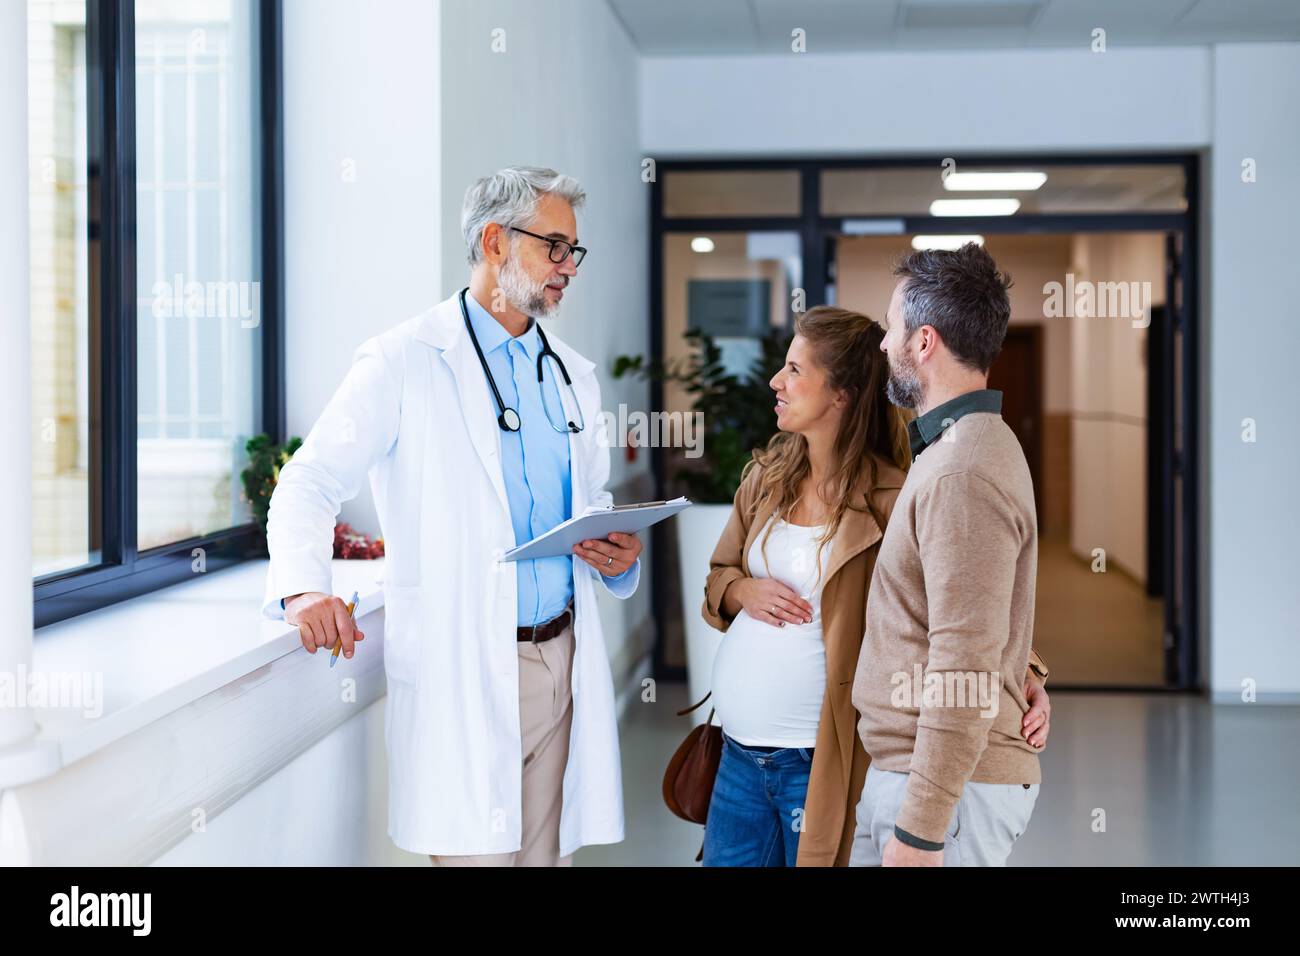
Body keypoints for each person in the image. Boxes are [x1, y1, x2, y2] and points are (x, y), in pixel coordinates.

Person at [261, 166, 642, 866]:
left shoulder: (568, 374)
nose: (569, 267)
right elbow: (309, 479)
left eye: (574, 251)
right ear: (495, 242)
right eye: (554, 247)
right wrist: (303, 586)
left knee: (542, 860)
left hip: (562, 656)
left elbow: (589, 507)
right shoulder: (403, 359)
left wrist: (617, 553)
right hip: (465, 663)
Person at [700, 305, 1050, 867]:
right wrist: (743, 592)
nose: (776, 381)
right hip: (738, 756)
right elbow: (718, 579)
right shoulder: (764, 480)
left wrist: (1025, 674)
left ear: (840, 395)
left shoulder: (897, 496)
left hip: (823, 760)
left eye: (794, 369)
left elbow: (959, 605)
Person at [850, 242, 1047, 867]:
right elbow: (975, 616)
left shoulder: (962, 470)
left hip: (943, 795)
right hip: (924, 778)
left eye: (891, 328)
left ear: (925, 341)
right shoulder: (963, 447)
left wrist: (921, 832)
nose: (884, 344)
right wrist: (1030, 671)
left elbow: (964, 660)